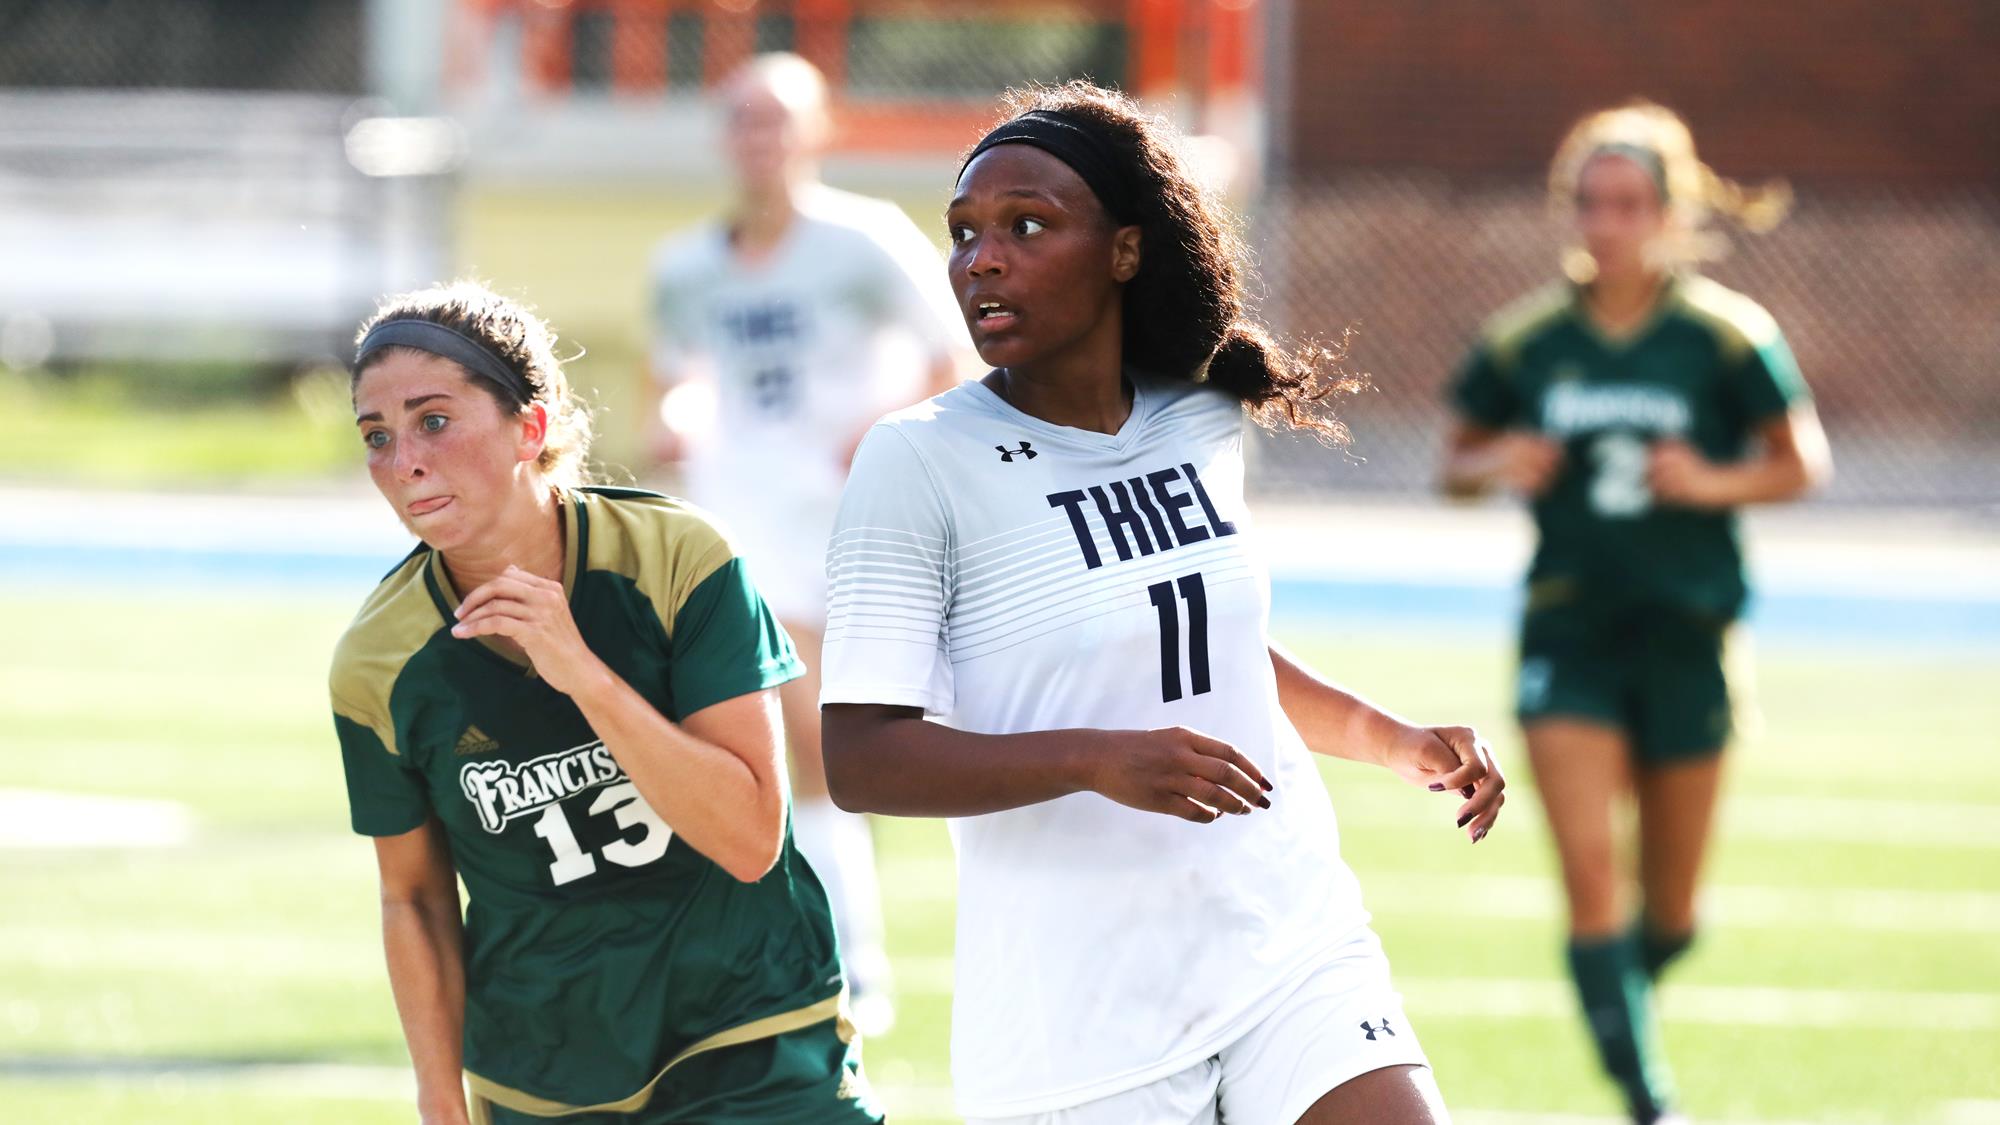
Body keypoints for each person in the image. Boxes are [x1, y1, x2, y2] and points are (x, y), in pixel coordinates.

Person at [819, 82, 1506, 1125]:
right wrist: (1093, 758)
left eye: (1026, 225)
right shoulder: (917, 461)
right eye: (963, 233)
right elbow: (862, 758)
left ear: (1126, 250)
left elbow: (1205, 643)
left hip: (1283, 939)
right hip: (1081, 1013)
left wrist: (1387, 737)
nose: (981, 259)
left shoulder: (1199, 417)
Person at [330, 281, 881, 1125]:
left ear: (531, 427)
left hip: (753, 1034)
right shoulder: (379, 659)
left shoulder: (677, 558)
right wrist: (439, 1097)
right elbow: (414, 897)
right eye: (377, 436)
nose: (403, 461)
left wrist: (582, 672)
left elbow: (748, 838)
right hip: (546, 1073)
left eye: (433, 421)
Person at [1440, 101, 1832, 1125]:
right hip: (1569, 633)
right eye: (1589, 203)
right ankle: (1651, 1104)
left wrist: (1709, 481)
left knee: (1672, 916)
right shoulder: (1526, 338)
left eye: (1626, 204)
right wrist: (1501, 460)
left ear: (1669, 213)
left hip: (1689, 636)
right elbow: (1453, 463)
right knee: (1590, 880)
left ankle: (1619, 994)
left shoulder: (1724, 336)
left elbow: (1802, 464)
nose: (1605, 224)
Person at [647, 52, 967, 1030]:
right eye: (743, 119)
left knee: (865, 742)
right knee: (785, 737)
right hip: (744, 525)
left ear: (819, 130)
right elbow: (676, 383)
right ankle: (839, 962)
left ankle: (846, 955)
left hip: (855, 524)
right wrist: (675, 424)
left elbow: (953, 358)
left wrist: (874, 431)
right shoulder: (684, 266)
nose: (761, 139)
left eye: (778, 119)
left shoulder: (864, 242)